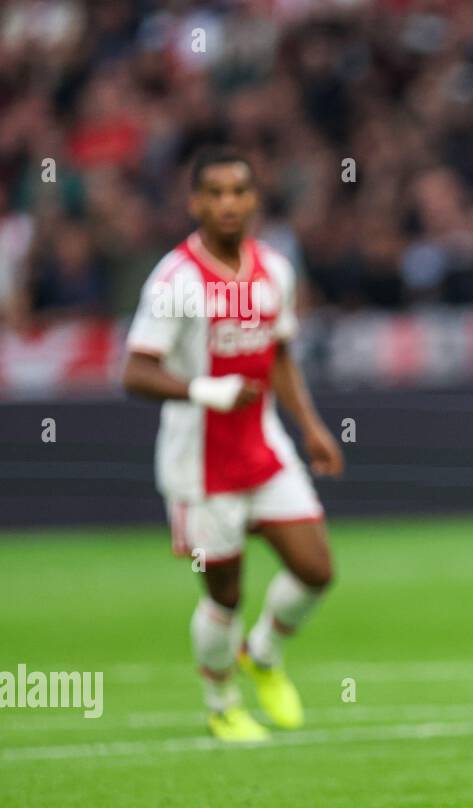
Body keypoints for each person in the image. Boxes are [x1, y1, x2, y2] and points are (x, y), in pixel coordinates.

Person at [123, 146, 343, 741]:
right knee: (225, 594)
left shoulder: (274, 268)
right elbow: (134, 371)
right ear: (194, 202)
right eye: (214, 193)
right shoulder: (175, 279)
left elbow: (281, 355)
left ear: (254, 199)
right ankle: (221, 703)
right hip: (199, 464)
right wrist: (202, 389)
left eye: (238, 192)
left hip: (263, 446)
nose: (227, 203)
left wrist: (312, 426)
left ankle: (263, 654)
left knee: (316, 569)